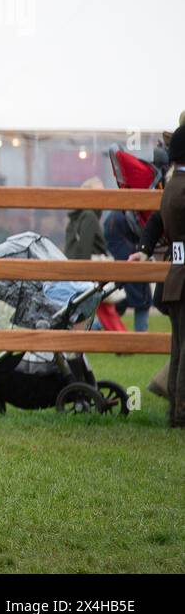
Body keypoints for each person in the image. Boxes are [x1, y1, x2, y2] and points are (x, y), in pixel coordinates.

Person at [131, 125, 185, 426]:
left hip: (177, 275)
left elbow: (157, 221)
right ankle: (180, 412)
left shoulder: (172, 183)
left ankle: (176, 409)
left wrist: (144, 248)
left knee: (179, 348)